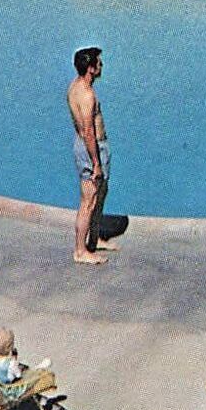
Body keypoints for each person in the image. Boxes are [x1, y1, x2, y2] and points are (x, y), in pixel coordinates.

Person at [68, 46, 115, 264]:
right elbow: (88, 131)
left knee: (100, 193)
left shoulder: (75, 87)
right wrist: (96, 162)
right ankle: (80, 251)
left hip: (93, 147)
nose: (102, 66)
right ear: (91, 68)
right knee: (88, 199)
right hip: (91, 149)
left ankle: (94, 238)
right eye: (99, 63)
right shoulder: (87, 95)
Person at [0, 328, 56, 404]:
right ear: (8, 347)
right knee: (32, 377)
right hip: (5, 393)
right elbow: (18, 376)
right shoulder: (10, 363)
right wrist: (14, 359)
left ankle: (40, 399)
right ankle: (40, 368)